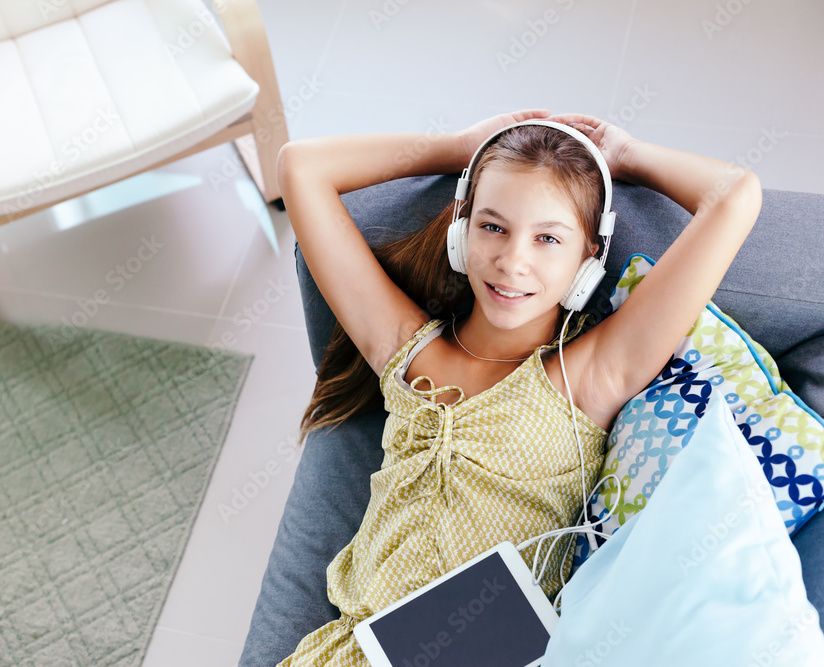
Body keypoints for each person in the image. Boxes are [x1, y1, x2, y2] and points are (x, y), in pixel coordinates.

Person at [275, 108, 763, 665]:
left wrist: (624, 155)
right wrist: (459, 147)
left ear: (588, 258)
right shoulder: (405, 347)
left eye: (548, 239)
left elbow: (735, 196)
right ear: (462, 230)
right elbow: (301, 167)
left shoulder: (591, 375)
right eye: (492, 226)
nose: (512, 262)